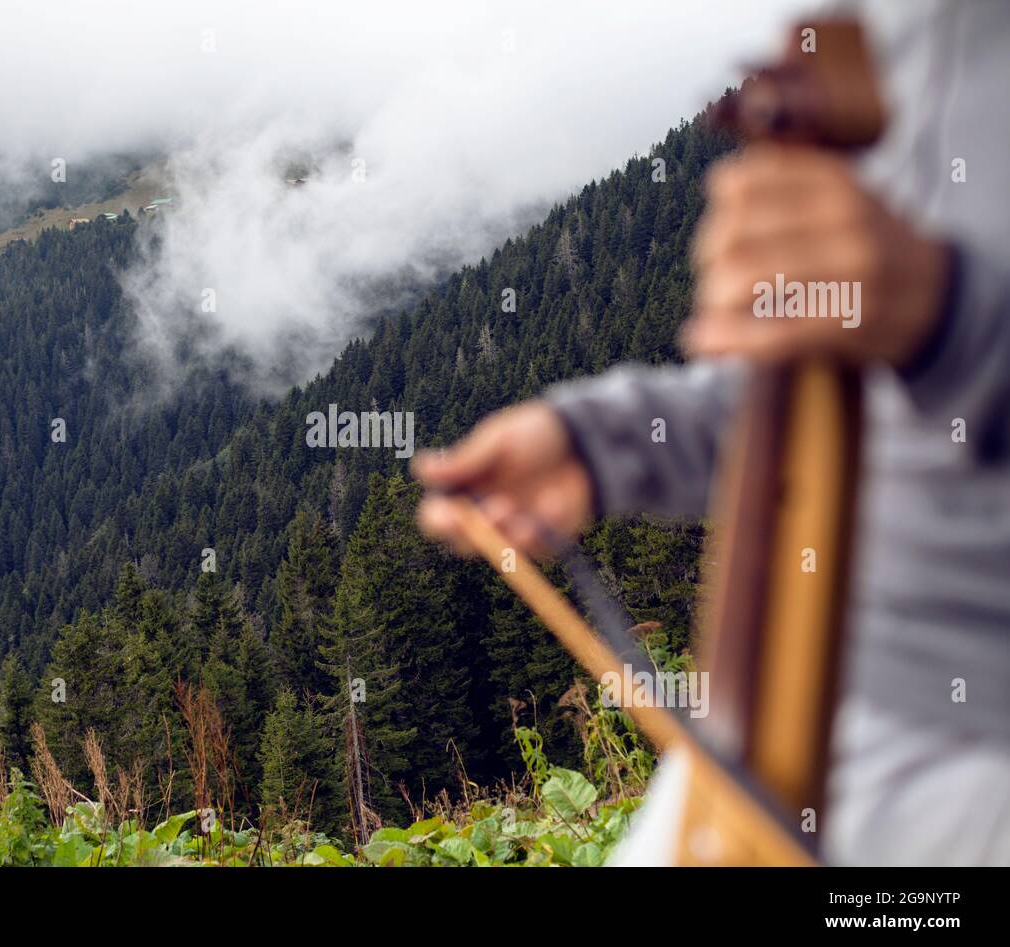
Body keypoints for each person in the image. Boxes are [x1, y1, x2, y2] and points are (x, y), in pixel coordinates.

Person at [413, 0, 1010, 865]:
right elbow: (859, 399)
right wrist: (593, 443)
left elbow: (935, 330)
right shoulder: (899, 31)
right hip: (797, 721)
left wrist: (954, 320)